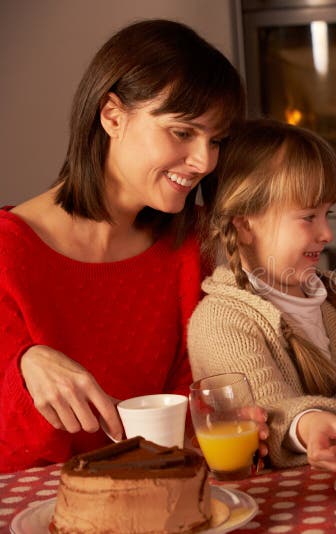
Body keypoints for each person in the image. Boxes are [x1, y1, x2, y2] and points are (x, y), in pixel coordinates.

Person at [0, 19, 260, 473]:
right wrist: (23, 361)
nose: (204, 161)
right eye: (183, 132)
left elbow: (191, 408)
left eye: (215, 140)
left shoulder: (190, 243)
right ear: (112, 116)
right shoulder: (8, 250)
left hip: (160, 492)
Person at [187, 119, 336, 471]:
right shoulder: (219, 322)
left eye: (328, 213)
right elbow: (270, 415)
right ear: (245, 225)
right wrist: (308, 426)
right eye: (309, 216)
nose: (327, 232)